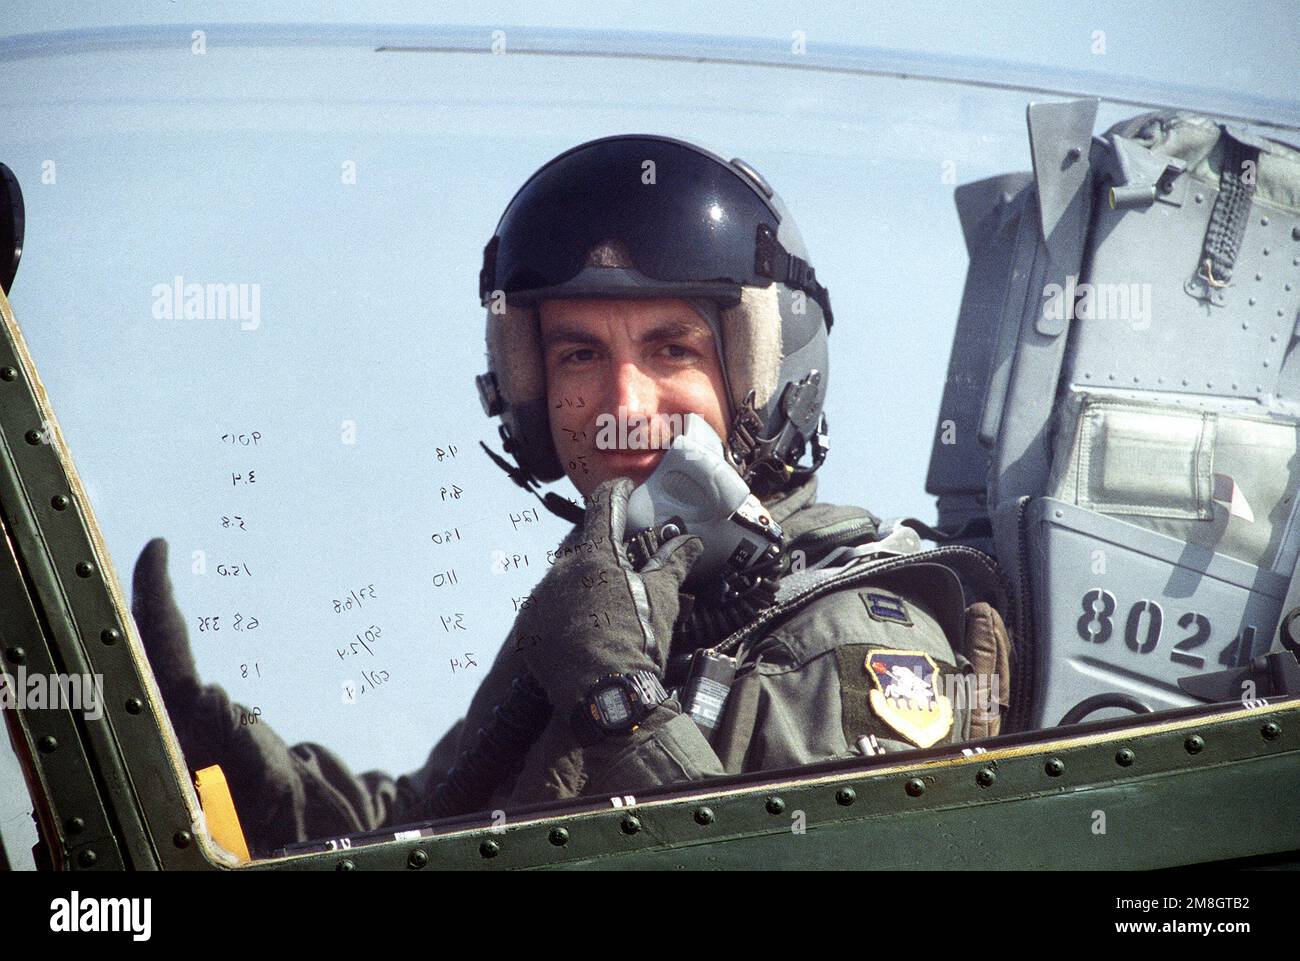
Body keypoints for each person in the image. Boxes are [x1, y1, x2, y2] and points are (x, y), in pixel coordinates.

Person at [132, 135, 1012, 857]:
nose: (623, 407)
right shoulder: (602, 612)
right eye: (579, 356)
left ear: (764, 379)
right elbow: (431, 827)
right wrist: (216, 762)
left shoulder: (847, 644)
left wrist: (620, 704)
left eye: (672, 350)